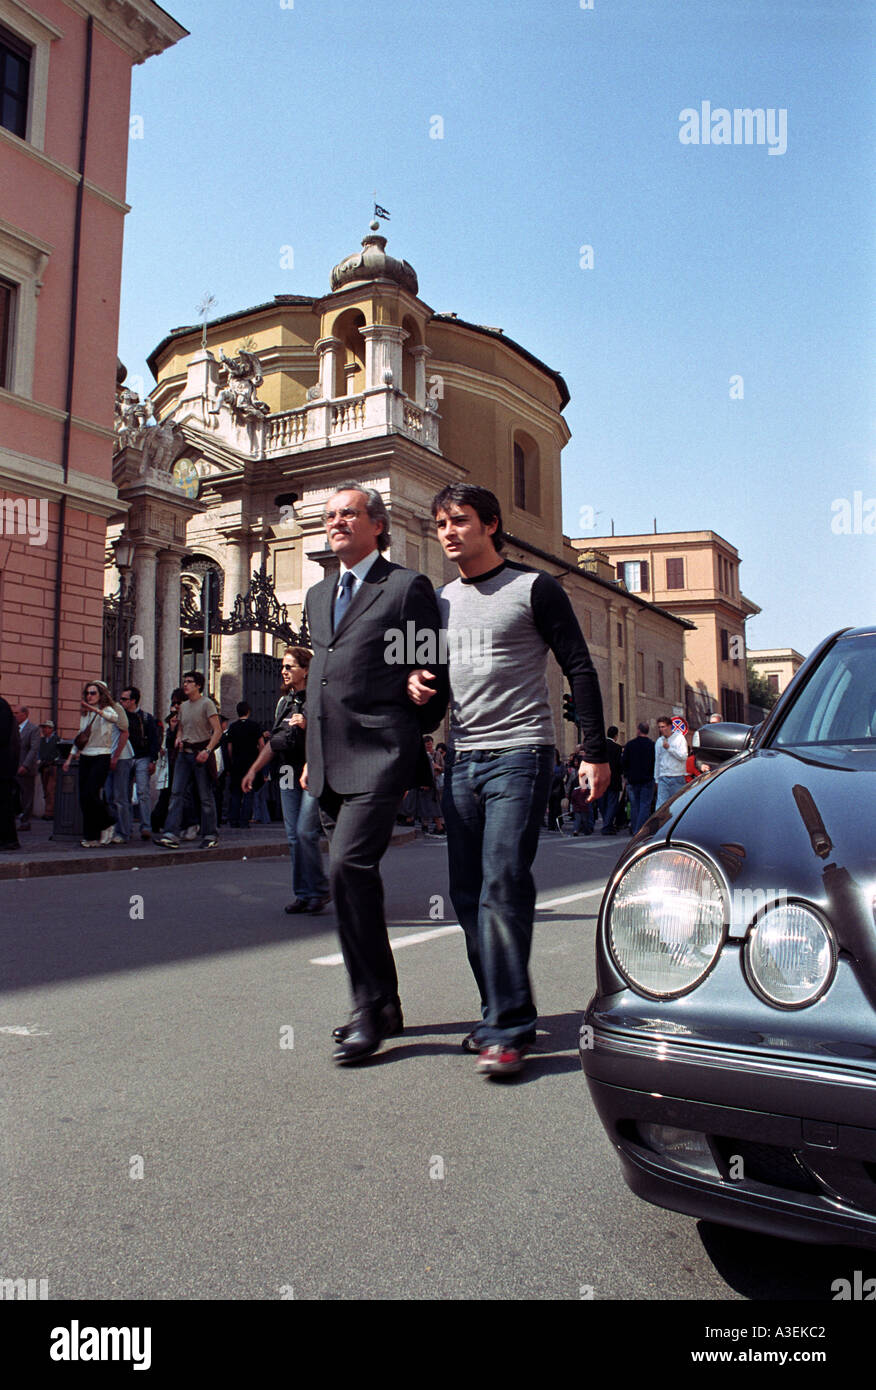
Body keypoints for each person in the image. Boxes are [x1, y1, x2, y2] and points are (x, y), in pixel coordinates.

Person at [410, 483, 609, 1079]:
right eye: (441, 522)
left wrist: (594, 752)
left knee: (502, 882)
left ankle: (511, 1025)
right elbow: (433, 699)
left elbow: (578, 666)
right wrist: (419, 691)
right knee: (468, 894)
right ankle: (498, 1006)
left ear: (491, 525)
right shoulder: (439, 602)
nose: (448, 531)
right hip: (462, 759)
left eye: (461, 521)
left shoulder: (534, 588)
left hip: (521, 754)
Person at [302, 481, 448, 1065]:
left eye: (349, 514)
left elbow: (428, 659)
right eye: (330, 515)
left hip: (382, 748)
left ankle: (368, 1010)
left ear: (377, 525)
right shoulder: (317, 595)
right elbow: (326, 670)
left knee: (348, 865)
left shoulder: (405, 586)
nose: (337, 522)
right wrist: (308, 745)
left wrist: (422, 690)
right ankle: (383, 1002)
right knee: (351, 879)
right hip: (329, 756)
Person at [242, 646, 329, 914]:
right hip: (287, 773)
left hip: (312, 771)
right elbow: (275, 742)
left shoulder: (318, 697)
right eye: (282, 666)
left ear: (306, 670)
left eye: (290, 666)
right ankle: (304, 894)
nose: (284, 671)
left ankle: (320, 890)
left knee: (305, 831)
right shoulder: (284, 702)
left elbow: (331, 734)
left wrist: (307, 726)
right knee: (293, 836)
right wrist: (254, 770)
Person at [154, 671, 222, 849]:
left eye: (190, 682)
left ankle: (210, 834)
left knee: (205, 796)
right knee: (176, 793)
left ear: (198, 685)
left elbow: (217, 730)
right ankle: (171, 834)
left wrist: (208, 751)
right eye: (184, 682)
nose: (186, 685)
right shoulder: (183, 706)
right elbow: (182, 727)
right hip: (184, 753)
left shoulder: (206, 704)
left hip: (201, 752)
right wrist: (179, 737)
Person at [61, 680, 126, 847]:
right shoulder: (85, 713)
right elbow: (80, 736)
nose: (89, 696)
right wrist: (70, 758)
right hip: (85, 756)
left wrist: (95, 710)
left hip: (101, 756)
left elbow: (114, 719)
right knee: (84, 798)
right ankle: (91, 836)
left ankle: (108, 822)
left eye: (93, 693)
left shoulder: (107, 710)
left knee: (91, 793)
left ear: (101, 695)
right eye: (87, 693)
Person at [119, 686, 160, 840]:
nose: (121, 701)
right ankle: (126, 828)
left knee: (143, 792)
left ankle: (145, 827)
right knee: (125, 794)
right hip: (125, 758)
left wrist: (153, 760)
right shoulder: (120, 717)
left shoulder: (147, 718)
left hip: (142, 757)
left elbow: (154, 741)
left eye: (124, 699)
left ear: (133, 701)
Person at [227, 703, 262, 827]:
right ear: (248, 711)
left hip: (237, 763)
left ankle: (233, 819)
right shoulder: (255, 726)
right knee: (248, 792)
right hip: (250, 763)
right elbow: (261, 744)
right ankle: (244, 820)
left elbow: (229, 748)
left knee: (236, 793)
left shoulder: (233, 727)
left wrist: (232, 761)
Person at [621, 721, 655, 834]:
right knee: (645, 805)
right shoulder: (652, 745)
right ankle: (639, 830)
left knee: (634, 805)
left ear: (638, 730)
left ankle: (634, 827)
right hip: (647, 779)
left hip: (632, 779)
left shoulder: (630, 745)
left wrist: (626, 775)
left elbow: (624, 762)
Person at [0, 694, 21, 850]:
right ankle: (8, 840)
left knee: (4, 805)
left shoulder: (2, 706)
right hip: (4, 766)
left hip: (2, 766)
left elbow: (2, 736)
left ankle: (8, 840)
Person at [654, 716, 689, 808]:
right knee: (660, 807)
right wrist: (656, 779)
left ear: (670, 726)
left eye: (663, 727)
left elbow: (683, 756)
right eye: (660, 727)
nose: (661, 729)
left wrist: (669, 748)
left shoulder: (679, 738)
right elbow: (657, 761)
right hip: (663, 777)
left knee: (678, 805)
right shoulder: (659, 741)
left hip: (677, 777)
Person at [15, 706, 40, 831]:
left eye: (17, 713)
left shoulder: (33, 729)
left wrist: (25, 765)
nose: (14, 715)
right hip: (13, 767)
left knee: (27, 795)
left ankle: (25, 821)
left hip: (26, 768)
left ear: (25, 714)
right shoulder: (14, 728)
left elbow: (34, 749)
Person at [597, 725, 623, 835]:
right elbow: (619, 765)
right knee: (612, 803)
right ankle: (607, 825)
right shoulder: (617, 748)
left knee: (602, 803)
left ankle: (607, 823)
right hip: (613, 779)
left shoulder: (600, 747)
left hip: (601, 778)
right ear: (616, 735)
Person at [38, 720, 59, 819]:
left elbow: (59, 754)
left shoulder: (57, 739)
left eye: (46, 728)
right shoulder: (42, 740)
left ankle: (50, 812)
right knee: (45, 790)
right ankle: (47, 811)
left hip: (52, 767)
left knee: (51, 789)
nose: (44, 730)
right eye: (43, 728)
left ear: (51, 729)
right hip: (43, 767)